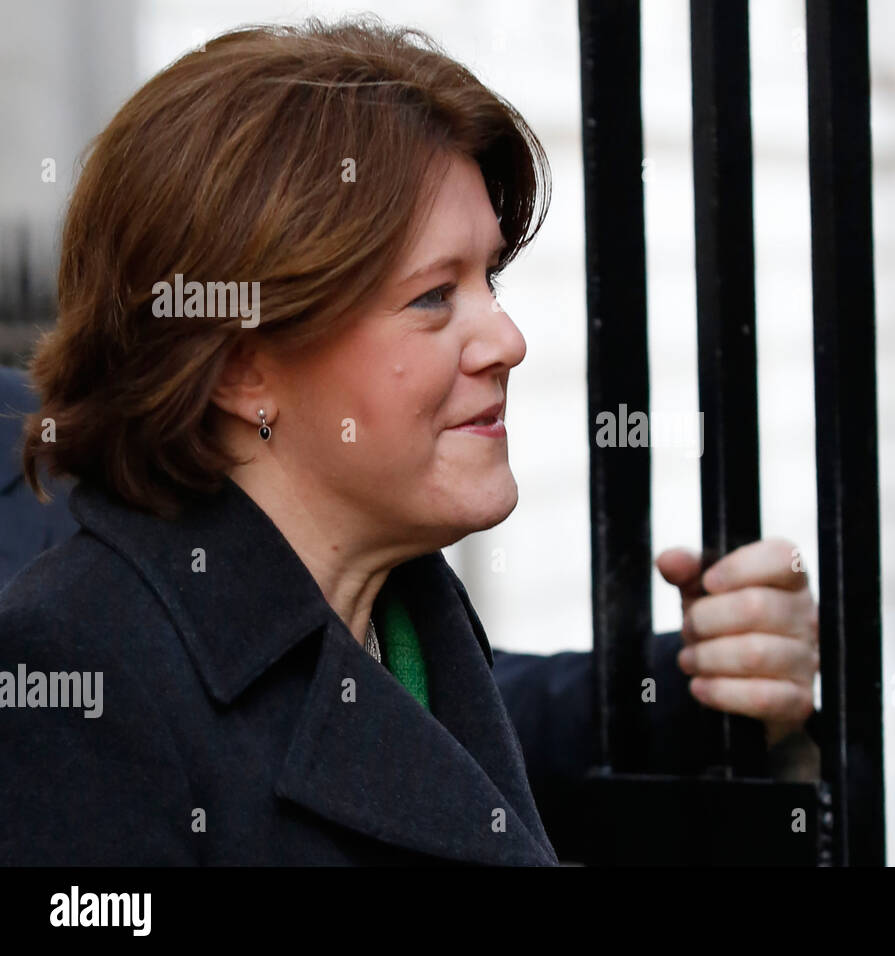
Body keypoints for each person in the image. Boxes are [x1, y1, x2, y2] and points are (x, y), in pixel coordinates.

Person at [0, 18, 820, 865]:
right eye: (433, 297)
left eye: (489, 278)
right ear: (244, 368)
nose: (506, 340)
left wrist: (720, 684)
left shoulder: (401, 613)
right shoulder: (79, 676)